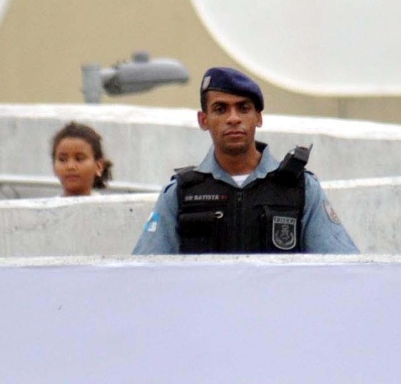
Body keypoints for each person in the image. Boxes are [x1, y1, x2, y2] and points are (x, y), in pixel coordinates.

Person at [132, 66, 358, 254]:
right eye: (220, 109)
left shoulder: (300, 188)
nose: (233, 118)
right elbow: (145, 273)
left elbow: (341, 267)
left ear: (258, 117)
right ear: (204, 120)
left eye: (244, 108)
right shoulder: (181, 193)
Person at [51, 121, 112, 197]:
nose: (70, 166)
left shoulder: (105, 207)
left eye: (79, 159)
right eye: (62, 160)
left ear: (99, 166)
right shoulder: (47, 207)